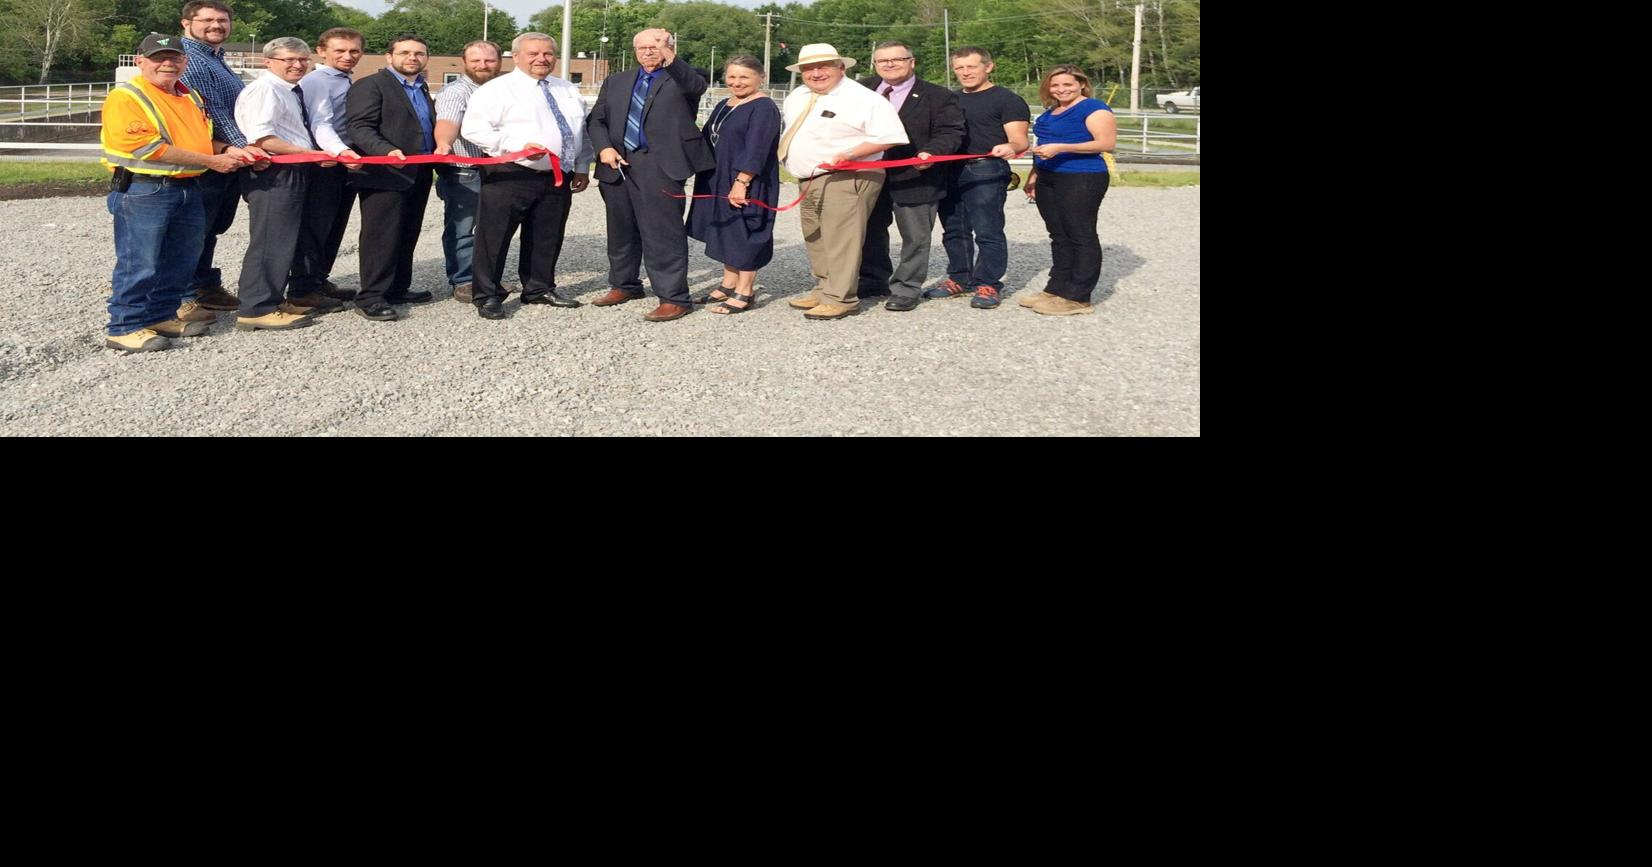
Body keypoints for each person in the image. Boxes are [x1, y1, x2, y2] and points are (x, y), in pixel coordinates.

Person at [100, 33, 255, 352]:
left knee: (180, 260)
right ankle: (124, 325)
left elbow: (198, 140)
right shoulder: (128, 96)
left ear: (185, 62)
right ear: (140, 62)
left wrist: (226, 148)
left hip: (187, 186)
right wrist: (213, 161)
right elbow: (147, 147)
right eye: (158, 58)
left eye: (174, 58)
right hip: (144, 189)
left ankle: (160, 315)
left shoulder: (189, 96)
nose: (167, 63)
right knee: (139, 261)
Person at [460, 32, 593, 320]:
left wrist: (582, 166)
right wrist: (515, 148)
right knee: (494, 237)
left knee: (547, 235)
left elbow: (579, 131)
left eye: (547, 54)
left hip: (557, 176)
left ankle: (538, 288)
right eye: (533, 53)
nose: (541, 59)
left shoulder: (567, 88)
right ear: (516, 56)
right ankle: (486, 294)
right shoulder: (497, 89)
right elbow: (473, 129)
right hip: (510, 173)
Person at [586, 28, 716, 322]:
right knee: (621, 230)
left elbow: (695, 87)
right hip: (618, 164)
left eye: (655, 47)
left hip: (661, 165)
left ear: (669, 48)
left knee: (662, 233)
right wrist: (604, 148)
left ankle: (673, 297)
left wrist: (670, 57)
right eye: (642, 47)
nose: (648, 52)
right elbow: (597, 119)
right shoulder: (617, 81)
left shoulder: (684, 77)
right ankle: (625, 284)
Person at [777, 43, 908, 321]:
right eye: (809, 68)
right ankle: (825, 287)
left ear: (841, 67)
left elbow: (890, 136)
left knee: (841, 239)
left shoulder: (863, 98)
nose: (816, 73)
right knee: (816, 236)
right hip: (809, 177)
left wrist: (850, 154)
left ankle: (841, 297)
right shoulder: (798, 95)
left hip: (849, 176)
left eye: (823, 66)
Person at [231, 36, 340, 332]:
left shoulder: (290, 90)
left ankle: (277, 299)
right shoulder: (265, 90)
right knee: (270, 240)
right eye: (288, 59)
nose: (297, 64)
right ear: (268, 62)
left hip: (296, 168)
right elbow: (262, 138)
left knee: (288, 239)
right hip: (275, 173)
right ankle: (257, 308)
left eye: (303, 59)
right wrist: (312, 153)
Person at [853, 41, 964, 312]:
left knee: (915, 236)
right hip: (869, 174)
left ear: (911, 61)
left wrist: (931, 153)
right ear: (875, 64)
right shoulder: (859, 90)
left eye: (897, 59)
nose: (890, 65)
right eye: (883, 61)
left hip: (917, 176)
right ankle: (873, 279)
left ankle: (906, 287)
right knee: (869, 232)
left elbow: (950, 132)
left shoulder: (938, 96)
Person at [178, 0, 267, 313]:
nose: (216, 26)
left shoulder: (216, 58)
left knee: (212, 226)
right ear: (186, 24)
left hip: (227, 158)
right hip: (209, 157)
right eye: (207, 20)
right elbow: (213, 109)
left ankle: (204, 284)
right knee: (195, 228)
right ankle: (185, 295)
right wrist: (243, 146)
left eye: (222, 21)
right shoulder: (191, 60)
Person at [345, 32, 438, 323]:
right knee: (380, 237)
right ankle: (371, 296)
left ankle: (398, 288)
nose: (412, 58)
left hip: (419, 171)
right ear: (389, 57)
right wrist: (386, 151)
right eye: (405, 53)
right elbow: (359, 127)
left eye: (419, 53)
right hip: (385, 172)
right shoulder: (371, 85)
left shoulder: (421, 87)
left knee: (407, 232)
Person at [932, 46, 1029, 310]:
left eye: (971, 67)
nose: (965, 72)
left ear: (988, 66)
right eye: (959, 68)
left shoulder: (1007, 100)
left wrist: (1011, 146)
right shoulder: (950, 99)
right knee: (954, 228)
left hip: (985, 168)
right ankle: (959, 278)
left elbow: (1020, 140)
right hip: (950, 169)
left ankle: (988, 283)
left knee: (987, 230)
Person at [686, 54, 781, 315]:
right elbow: (707, 138)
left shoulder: (763, 107)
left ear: (760, 77)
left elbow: (757, 149)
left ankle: (745, 289)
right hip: (718, 177)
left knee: (744, 231)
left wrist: (742, 182)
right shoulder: (724, 104)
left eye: (744, 77)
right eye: (732, 76)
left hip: (746, 178)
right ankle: (728, 282)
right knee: (725, 229)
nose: (736, 83)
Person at [1024, 64, 1117, 316]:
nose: (1061, 89)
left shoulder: (1093, 108)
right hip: (1048, 176)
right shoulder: (1051, 112)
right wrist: (1034, 175)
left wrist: (1062, 147)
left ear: (1081, 84)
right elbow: (1043, 145)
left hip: (1082, 176)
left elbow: (1106, 143)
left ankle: (1078, 295)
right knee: (1058, 233)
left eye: (1067, 84)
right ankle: (1057, 288)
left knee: (1080, 233)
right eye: (1055, 85)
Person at [297, 26, 365, 301]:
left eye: (354, 51)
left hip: (341, 162)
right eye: (340, 50)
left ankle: (319, 278)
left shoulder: (343, 79)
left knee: (335, 224)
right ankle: (304, 288)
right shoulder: (318, 81)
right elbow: (319, 123)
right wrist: (341, 151)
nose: (348, 56)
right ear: (321, 51)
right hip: (324, 163)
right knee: (316, 227)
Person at [433, 39, 502, 305]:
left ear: (499, 62)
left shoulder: (503, 89)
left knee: (490, 228)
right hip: (465, 170)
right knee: (462, 228)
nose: (482, 65)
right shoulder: (456, 91)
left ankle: (484, 278)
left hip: (499, 170)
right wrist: (444, 143)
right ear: (464, 63)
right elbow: (448, 121)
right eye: (476, 61)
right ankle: (463, 280)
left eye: (489, 60)